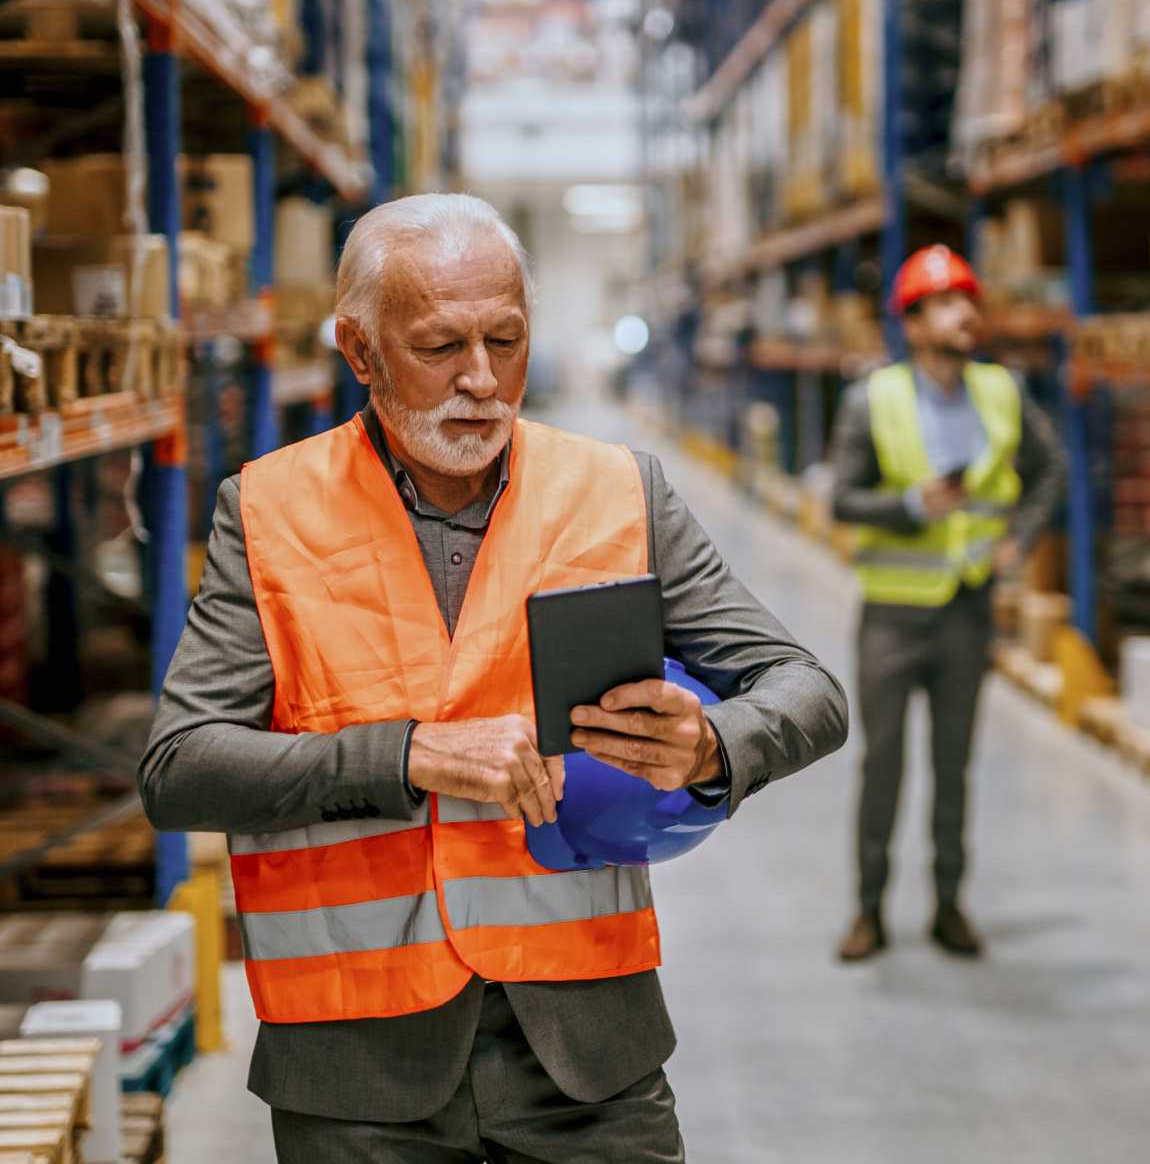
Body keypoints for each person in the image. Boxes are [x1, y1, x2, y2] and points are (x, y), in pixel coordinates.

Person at [139, 194, 847, 1163]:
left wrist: (713, 744)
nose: (481, 378)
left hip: (588, 1062)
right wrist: (407, 755)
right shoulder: (269, 510)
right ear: (359, 350)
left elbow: (806, 688)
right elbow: (181, 767)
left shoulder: (614, 489)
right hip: (358, 1073)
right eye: (440, 347)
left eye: (505, 339)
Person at [830, 245, 1066, 963]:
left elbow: (1050, 468)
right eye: (947, 302)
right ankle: (869, 911)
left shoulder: (1001, 390)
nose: (967, 313)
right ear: (914, 321)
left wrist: (1019, 540)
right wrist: (910, 504)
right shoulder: (872, 399)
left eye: (970, 300)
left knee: (954, 764)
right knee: (885, 764)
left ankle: (948, 906)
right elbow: (841, 497)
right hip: (893, 616)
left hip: (968, 611)